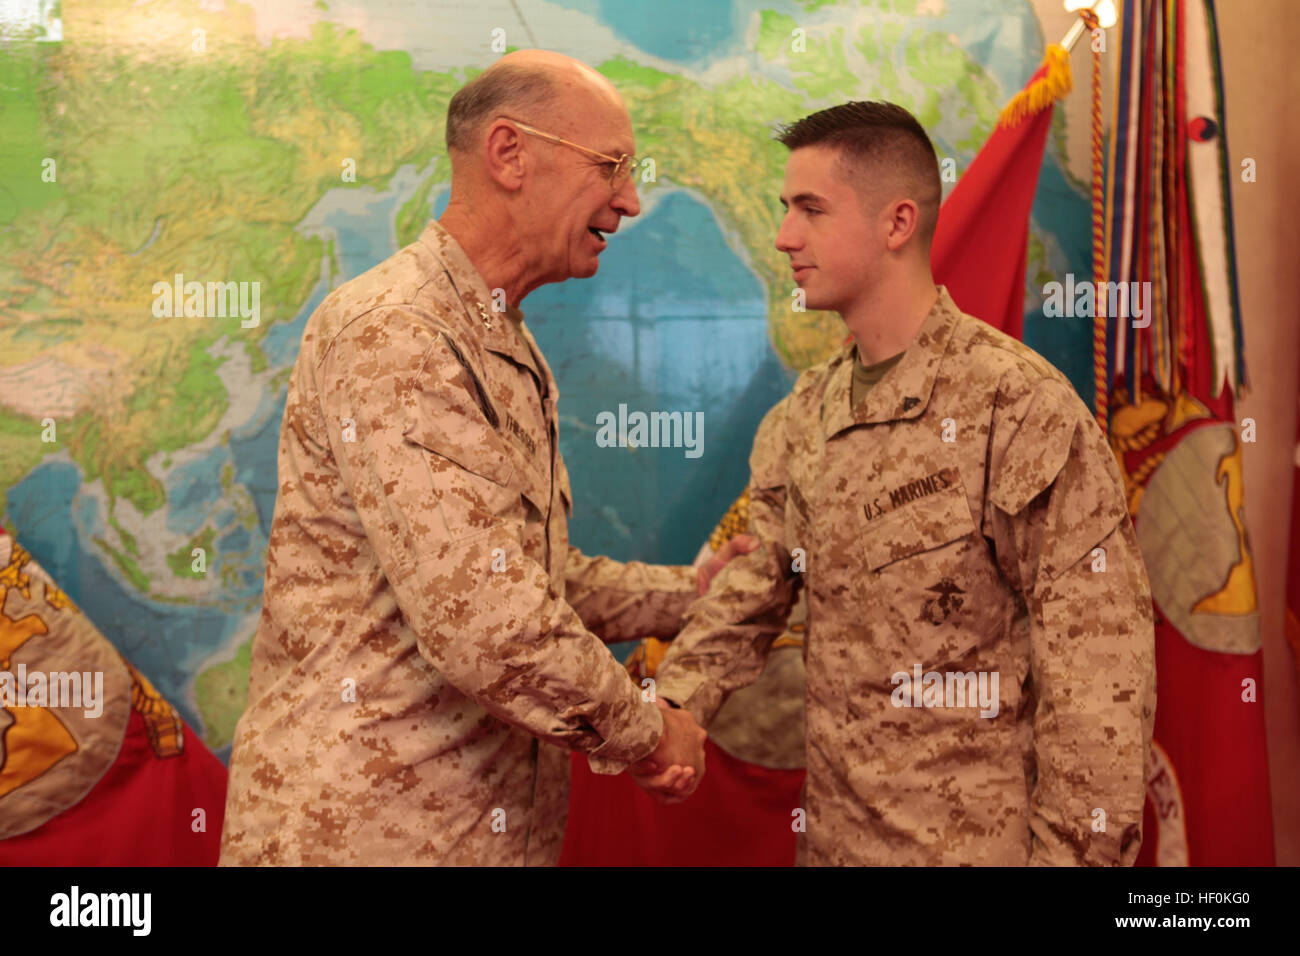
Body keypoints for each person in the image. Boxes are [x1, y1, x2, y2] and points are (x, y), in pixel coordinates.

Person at [220, 50, 752, 866]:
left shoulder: (499, 340)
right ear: (509, 154)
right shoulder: (400, 332)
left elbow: (525, 577)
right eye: (612, 166)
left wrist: (686, 596)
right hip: (363, 839)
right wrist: (651, 734)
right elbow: (490, 627)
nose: (632, 200)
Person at [654, 101, 1156, 866]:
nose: (785, 236)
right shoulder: (805, 415)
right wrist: (675, 706)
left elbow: (1100, 681)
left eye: (810, 210)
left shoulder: (1014, 407)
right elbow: (756, 586)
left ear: (896, 223)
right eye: (785, 210)